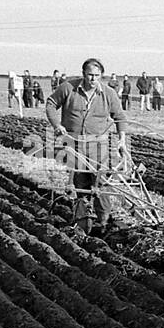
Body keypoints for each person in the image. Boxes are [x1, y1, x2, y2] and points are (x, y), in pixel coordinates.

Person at [45, 57, 128, 235]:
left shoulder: (108, 93)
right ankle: (83, 221)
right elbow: (51, 104)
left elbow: (120, 116)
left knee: (102, 184)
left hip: (99, 145)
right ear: (83, 74)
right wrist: (56, 125)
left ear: (101, 76)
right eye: (90, 75)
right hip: (74, 143)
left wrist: (121, 139)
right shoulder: (69, 87)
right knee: (80, 182)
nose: (93, 79)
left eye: (97, 75)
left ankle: (104, 222)